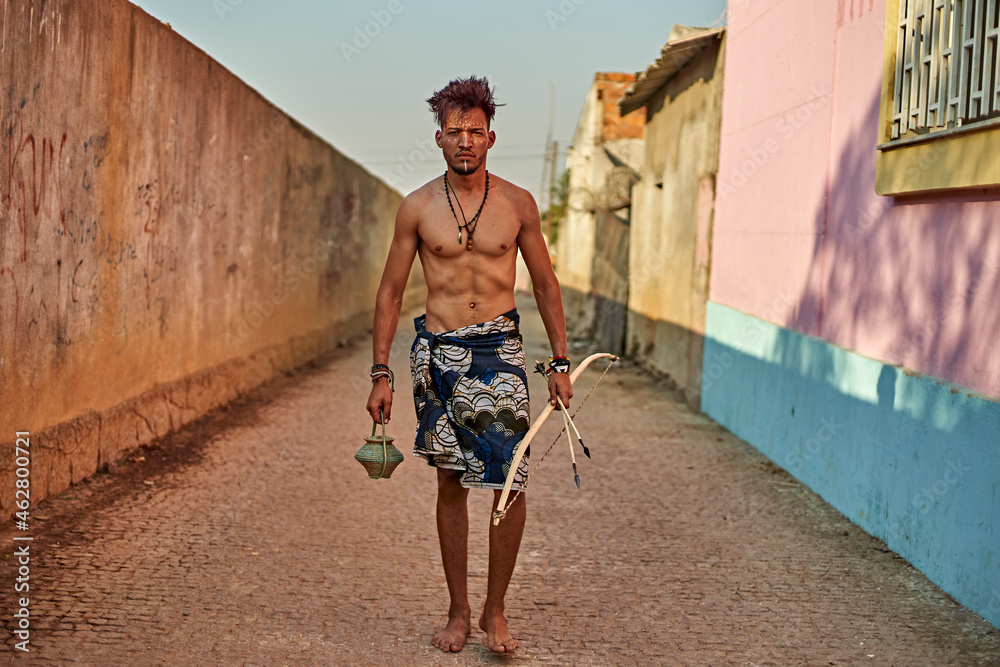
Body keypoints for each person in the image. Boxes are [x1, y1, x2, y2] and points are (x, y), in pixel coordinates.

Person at [365, 75, 573, 654]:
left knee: (510, 483)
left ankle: (495, 610)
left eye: (475, 132)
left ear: (491, 137)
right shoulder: (418, 208)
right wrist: (380, 373)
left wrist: (559, 360)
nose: (465, 141)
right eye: (454, 131)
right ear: (438, 138)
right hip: (438, 354)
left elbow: (547, 283)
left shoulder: (517, 205)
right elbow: (389, 292)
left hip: (500, 353)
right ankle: (458, 611)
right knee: (450, 482)